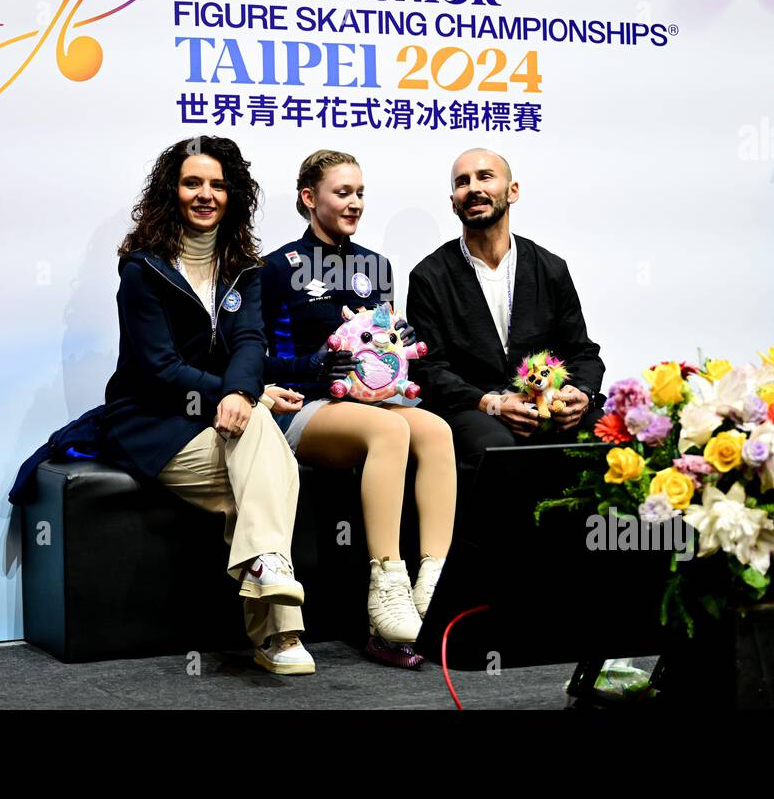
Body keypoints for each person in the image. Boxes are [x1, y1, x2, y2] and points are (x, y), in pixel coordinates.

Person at [97, 135, 313, 676]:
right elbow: (159, 368)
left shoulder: (245, 267)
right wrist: (240, 394)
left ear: (232, 194)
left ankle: (266, 573)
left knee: (257, 463)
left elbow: (249, 344)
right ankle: (280, 637)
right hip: (152, 422)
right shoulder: (142, 271)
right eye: (193, 182)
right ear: (172, 191)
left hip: (224, 418)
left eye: (217, 184)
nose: (205, 194)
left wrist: (241, 392)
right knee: (273, 467)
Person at [260, 149, 457, 663]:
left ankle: (432, 582)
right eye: (342, 193)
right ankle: (386, 585)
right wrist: (317, 363)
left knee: (435, 430)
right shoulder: (277, 267)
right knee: (389, 433)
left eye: (360, 193)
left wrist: (401, 340)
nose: (354, 203)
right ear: (309, 198)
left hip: (369, 402)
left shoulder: (376, 264)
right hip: (301, 406)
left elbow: (385, 347)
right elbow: (259, 359)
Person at [406, 147, 606, 496]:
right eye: (462, 182)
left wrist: (582, 395)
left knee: (606, 433)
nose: (473, 188)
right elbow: (427, 369)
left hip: (547, 405)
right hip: (472, 408)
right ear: (454, 202)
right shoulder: (429, 276)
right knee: (497, 449)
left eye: (485, 177)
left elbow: (584, 353)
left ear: (512, 191)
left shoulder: (550, 268)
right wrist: (491, 403)